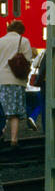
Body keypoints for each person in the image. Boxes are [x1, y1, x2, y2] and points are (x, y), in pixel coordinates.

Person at [0, 20, 33, 150]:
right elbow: (28, 60)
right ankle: (14, 140)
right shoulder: (23, 41)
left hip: (0, 80)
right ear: (21, 31)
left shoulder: (1, 41)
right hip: (16, 81)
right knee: (14, 113)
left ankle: (1, 134)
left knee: (1, 110)